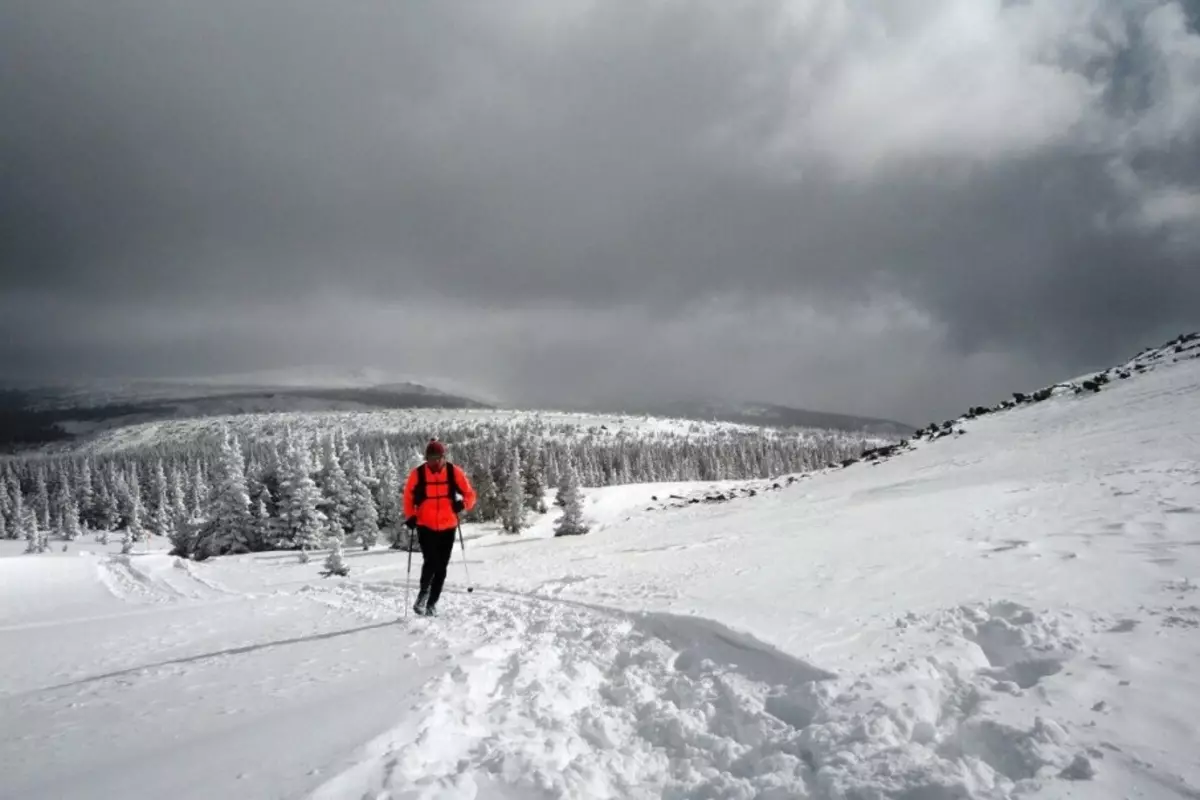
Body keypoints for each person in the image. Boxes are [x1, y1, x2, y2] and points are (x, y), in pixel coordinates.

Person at [403, 438, 476, 616]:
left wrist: (463, 504)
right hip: (425, 525)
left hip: (448, 526)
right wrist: (410, 516)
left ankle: (432, 604)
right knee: (431, 562)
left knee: (441, 567)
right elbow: (407, 497)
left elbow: (470, 494)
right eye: (431, 458)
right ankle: (423, 594)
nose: (434, 462)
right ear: (426, 458)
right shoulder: (418, 474)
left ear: (444, 457)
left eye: (438, 458)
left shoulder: (453, 472)